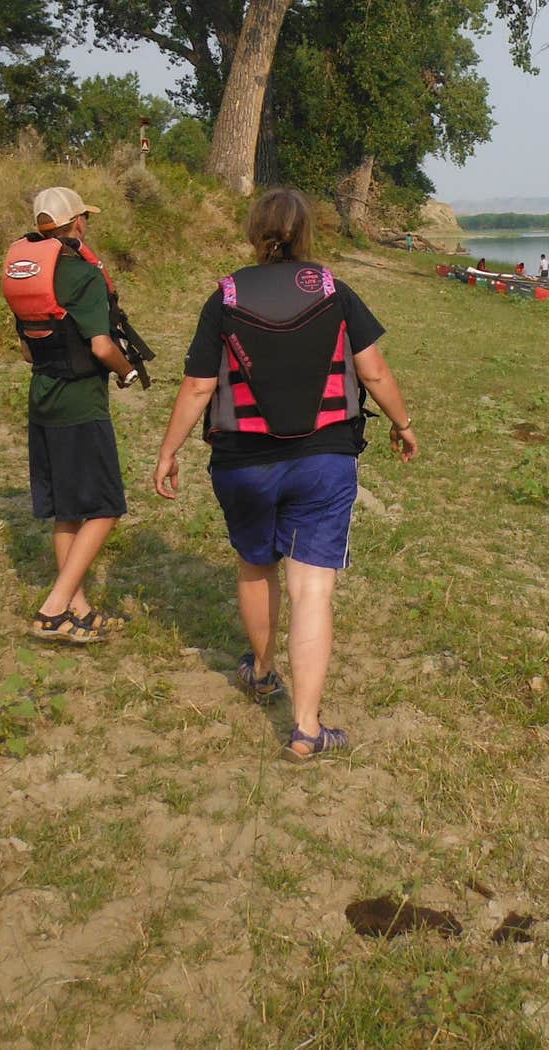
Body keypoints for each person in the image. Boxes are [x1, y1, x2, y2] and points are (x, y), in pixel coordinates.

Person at [152, 188, 417, 761]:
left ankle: (265, 671)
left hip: (242, 462)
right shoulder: (334, 293)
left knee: (255, 565)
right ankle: (305, 728)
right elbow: (372, 371)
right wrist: (402, 422)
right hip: (324, 459)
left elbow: (200, 386)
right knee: (313, 588)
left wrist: (168, 450)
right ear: (307, 234)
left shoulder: (223, 297)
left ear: (254, 232)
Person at [3, 186, 143, 644]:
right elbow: (101, 346)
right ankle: (54, 607)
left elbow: (27, 350)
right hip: (81, 405)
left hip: (41, 398)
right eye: (86, 218)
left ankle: (77, 610)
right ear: (77, 222)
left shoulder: (28, 272)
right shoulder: (81, 276)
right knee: (105, 508)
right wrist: (126, 374)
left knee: (67, 512)